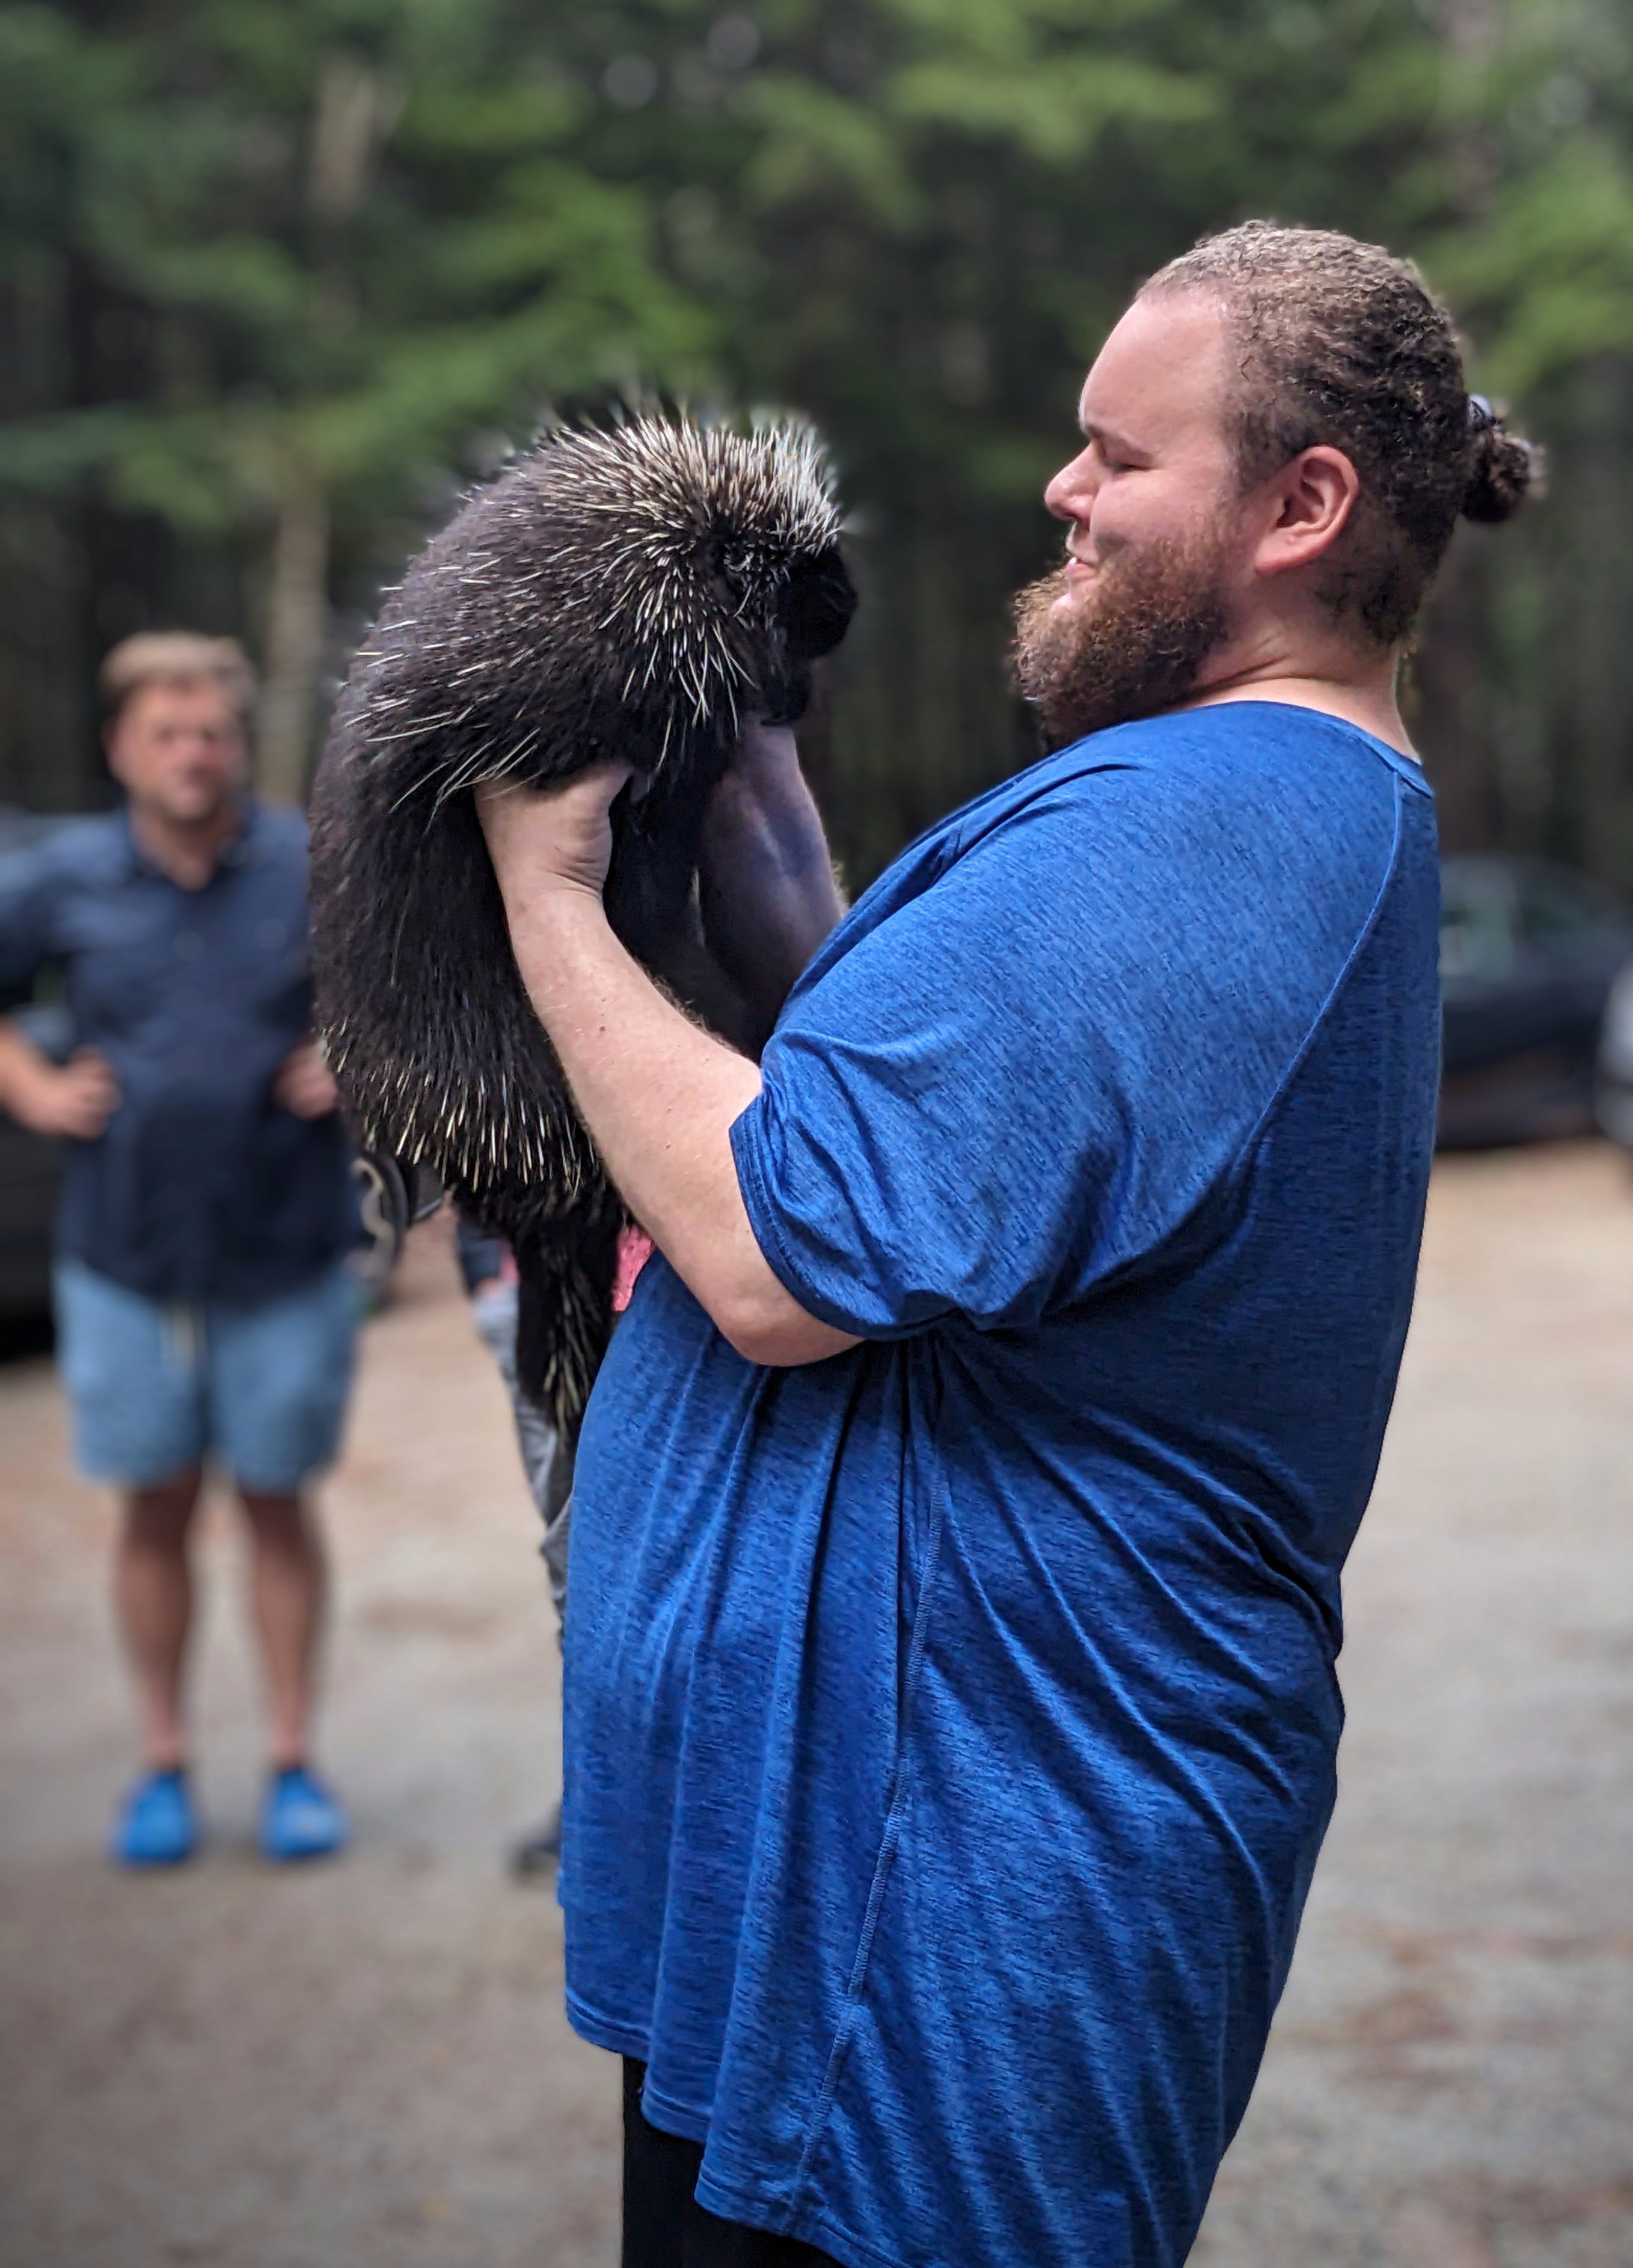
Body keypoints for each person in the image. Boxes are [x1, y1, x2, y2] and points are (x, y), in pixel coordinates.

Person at [476, 224, 1534, 2268]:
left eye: (1116, 455)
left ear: (1301, 505)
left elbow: (779, 1251)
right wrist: (747, 783)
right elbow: (925, 1138)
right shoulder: (1232, 798)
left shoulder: (1206, 818)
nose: (1064, 490)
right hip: (894, 1881)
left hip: (939, 1920)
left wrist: (546, 895)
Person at [0, 633, 359, 1869]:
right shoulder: (64, 878)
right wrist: (33, 1089)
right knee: (153, 1503)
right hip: (125, 1250)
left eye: (209, 731)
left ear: (236, 743)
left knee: (276, 1499)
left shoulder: (313, 864)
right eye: (165, 732)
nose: (190, 753)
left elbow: (412, 984)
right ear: (121, 747)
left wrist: (353, 1053)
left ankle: (292, 1761)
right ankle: (162, 1762)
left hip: (286, 1241)